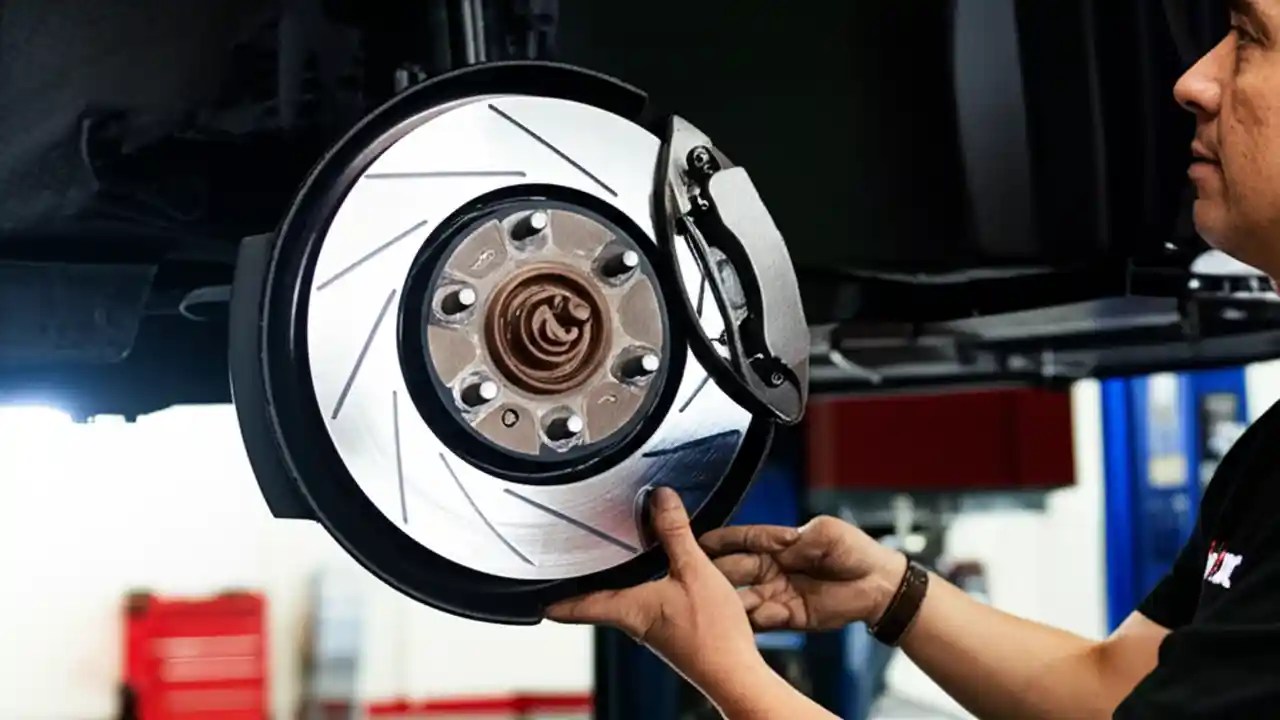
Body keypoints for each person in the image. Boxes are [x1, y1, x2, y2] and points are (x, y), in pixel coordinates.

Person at [548, 2, 1280, 717]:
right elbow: (1116, 692)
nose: (1194, 80)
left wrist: (732, 673)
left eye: (1249, 37)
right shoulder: (1268, 458)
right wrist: (892, 593)